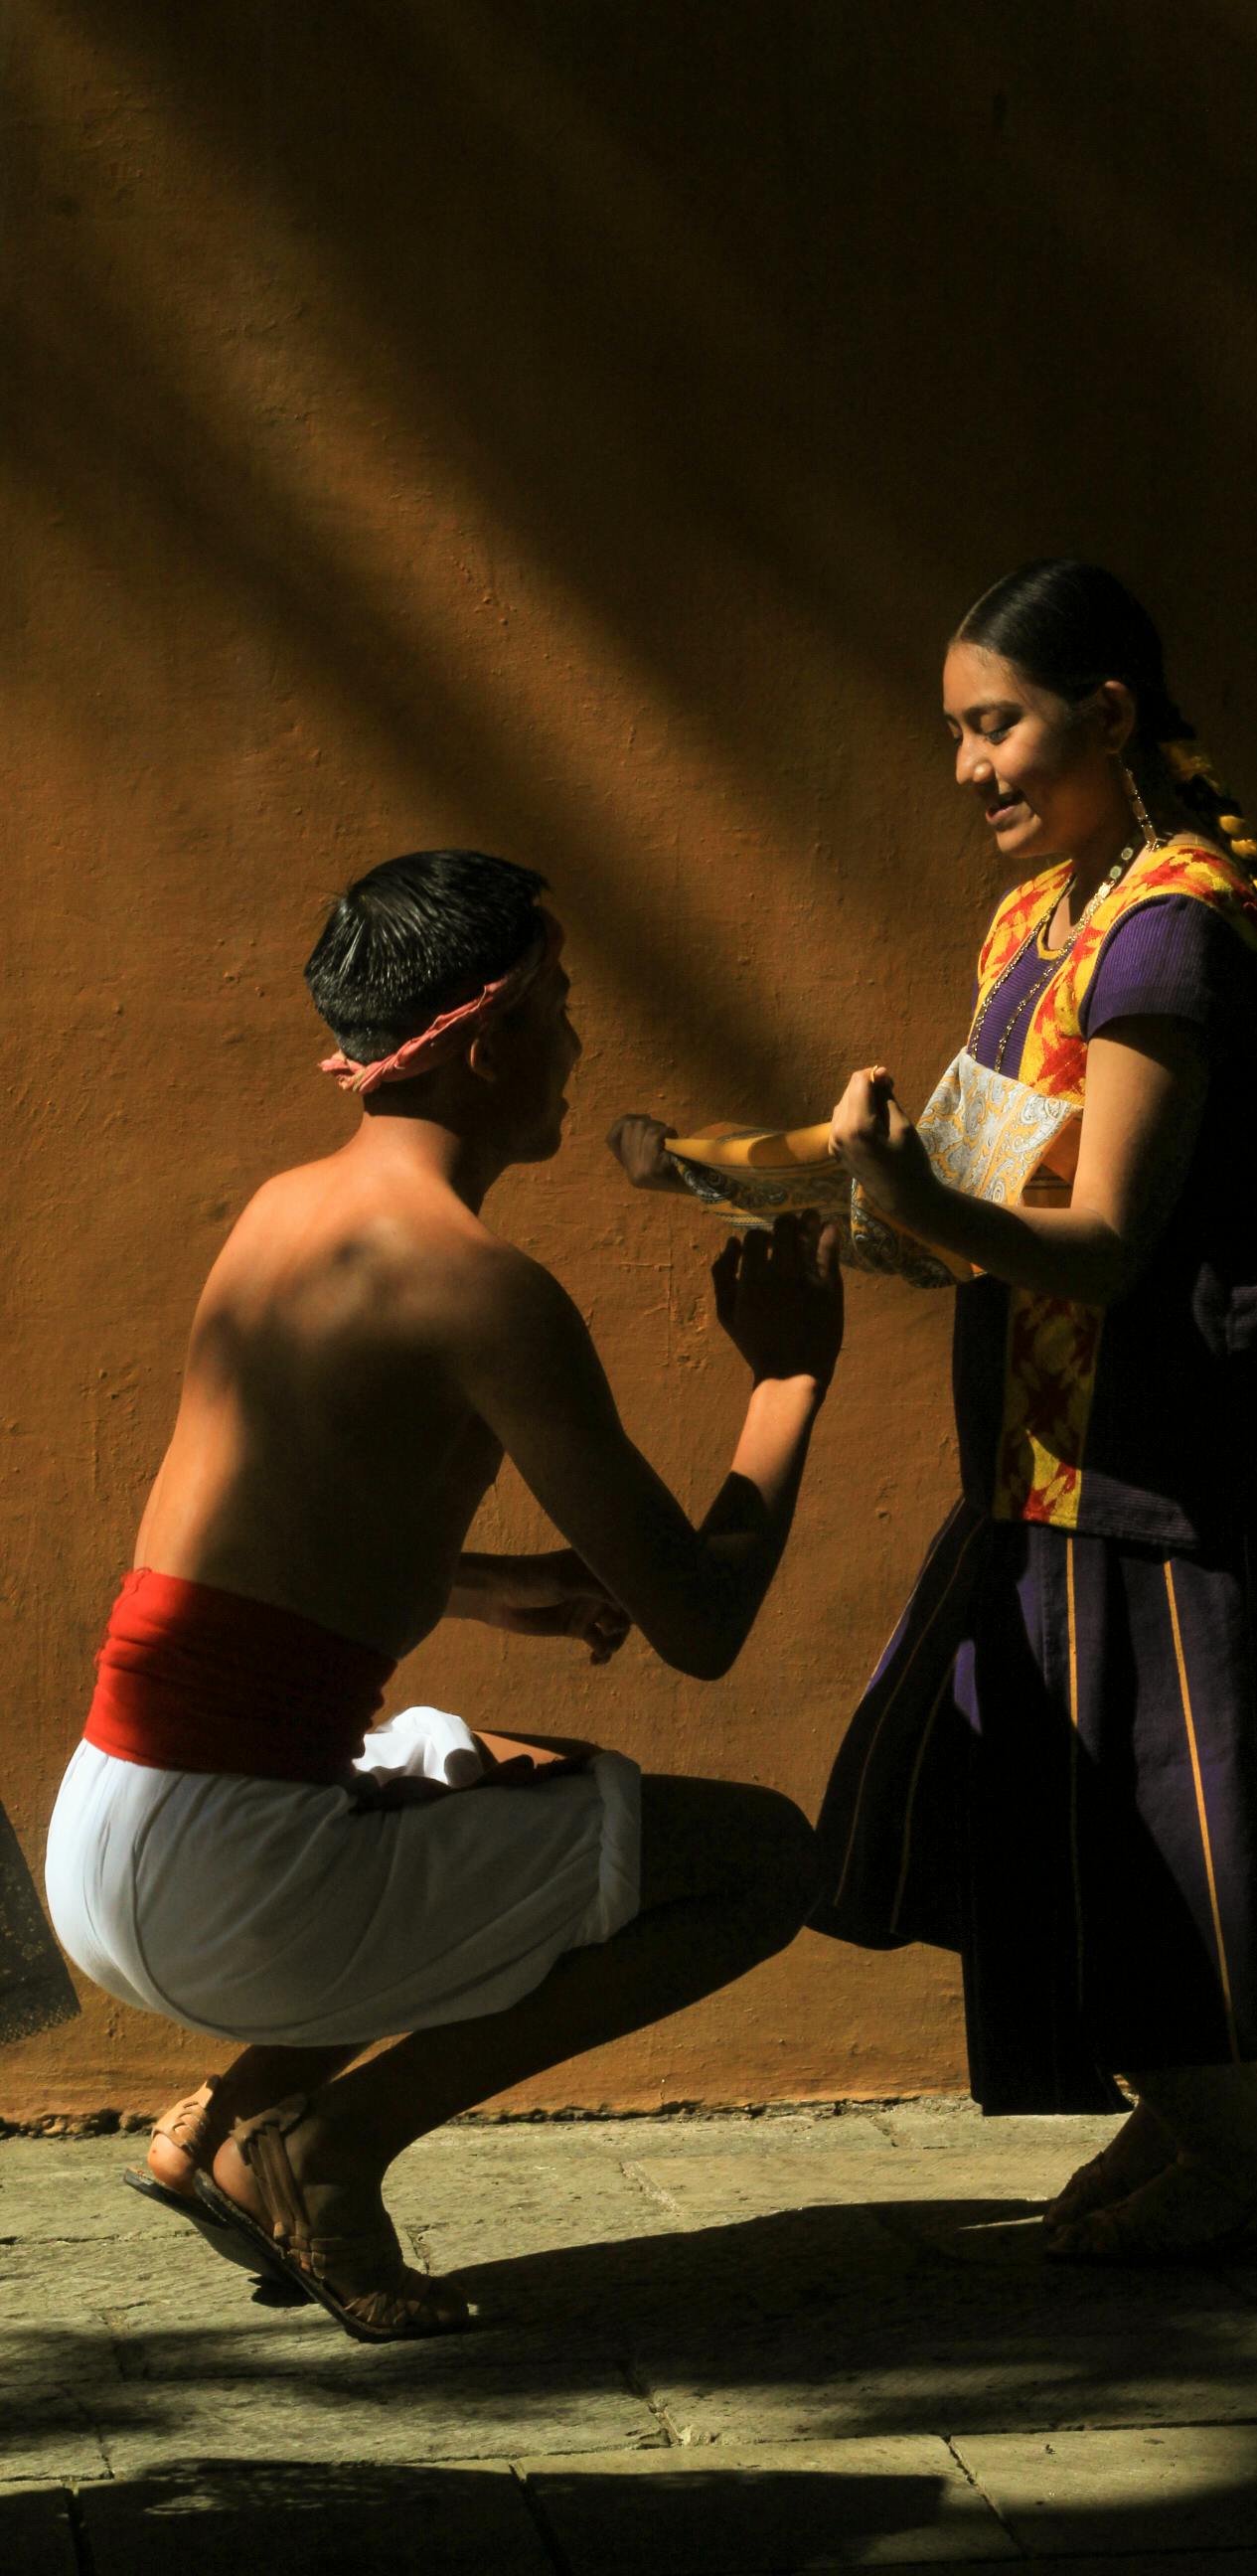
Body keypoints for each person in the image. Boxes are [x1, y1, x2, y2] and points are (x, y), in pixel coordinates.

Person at [610, 560, 1257, 2259]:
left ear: (1105, 716)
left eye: (993, 725)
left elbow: (1099, 1248)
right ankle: (1197, 2126)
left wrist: (905, 1199)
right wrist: (734, 1177)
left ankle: (1238, 2158)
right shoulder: (1040, 923)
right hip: (1037, 1457)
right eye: (954, 732)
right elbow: (986, 1185)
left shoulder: (1173, 928)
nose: (965, 770)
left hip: (1157, 1461)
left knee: (1130, 1821)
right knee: (1035, 1803)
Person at [45, 850, 842, 2339]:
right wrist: (789, 1376)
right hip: (232, 1887)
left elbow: (271, 1538)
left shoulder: (287, 1208)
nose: (578, 1047)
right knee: (760, 1862)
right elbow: (705, 1625)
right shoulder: (482, 1289)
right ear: (490, 1041)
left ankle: (215, 2124)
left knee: (493, 1769)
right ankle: (328, 2147)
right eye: (561, 1006)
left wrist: (488, 1589)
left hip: (110, 1832)